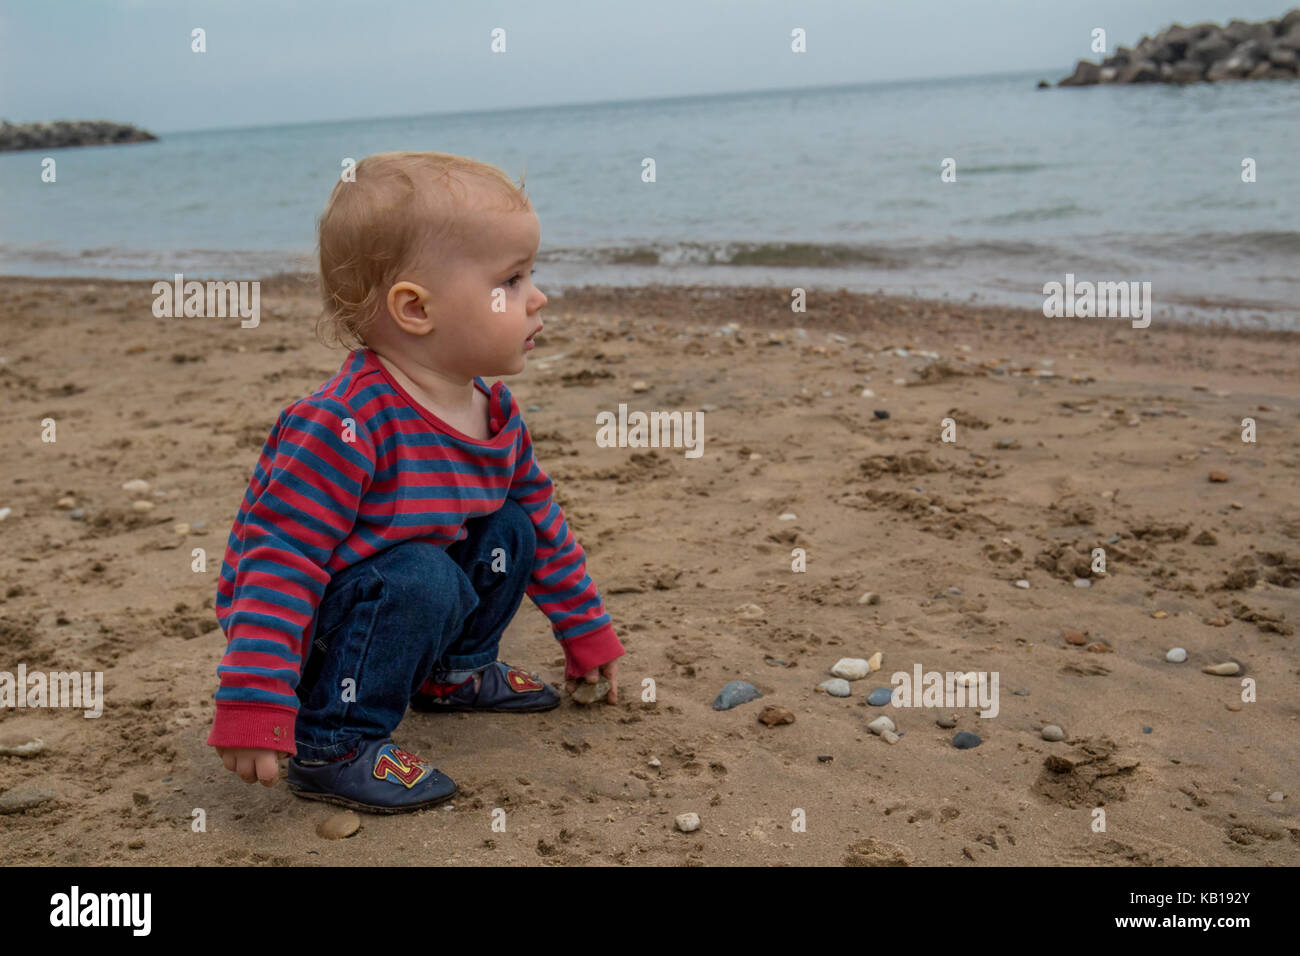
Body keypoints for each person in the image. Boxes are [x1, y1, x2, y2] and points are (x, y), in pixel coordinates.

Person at [206, 152, 624, 812]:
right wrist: (256, 697)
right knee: (421, 573)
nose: (539, 297)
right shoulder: (343, 424)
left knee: (511, 526)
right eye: (512, 281)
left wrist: (585, 629)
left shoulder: (493, 412)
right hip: (319, 632)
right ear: (416, 309)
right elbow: (280, 562)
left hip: (401, 601)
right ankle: (332, 742)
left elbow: (545, 525)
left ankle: (451, 675)